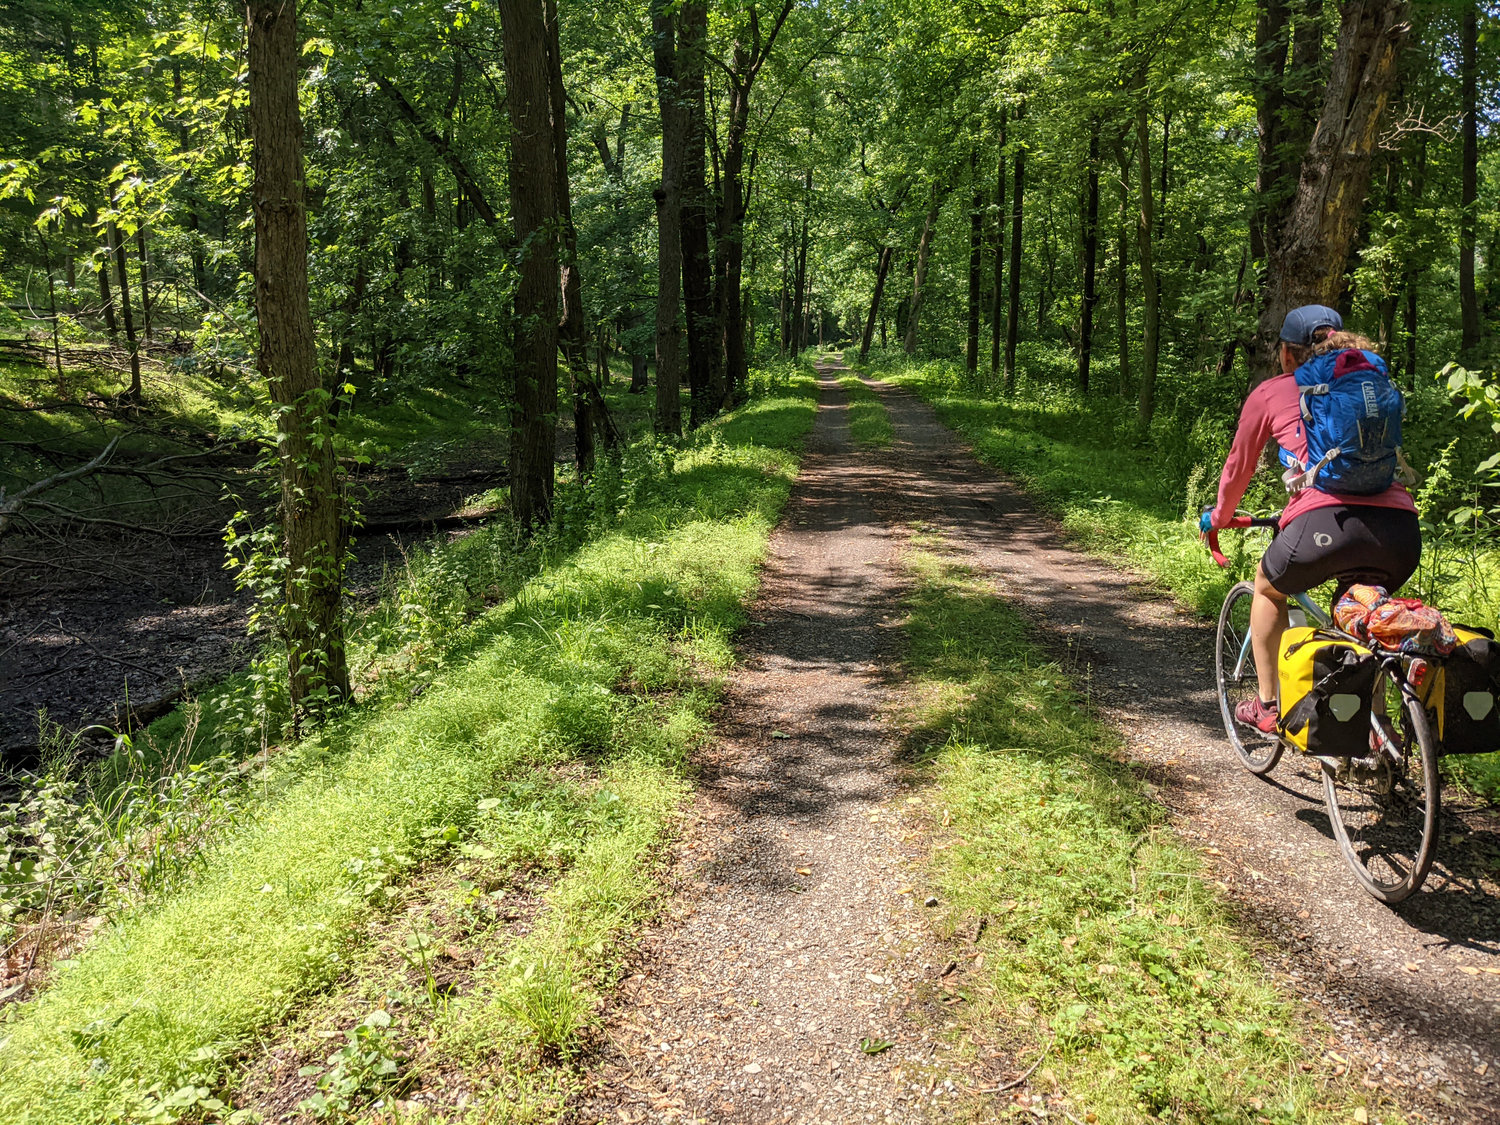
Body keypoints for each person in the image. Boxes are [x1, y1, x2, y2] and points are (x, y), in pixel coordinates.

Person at [1200, 304, 1421, 734]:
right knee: (1361, 611)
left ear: (1286, 354)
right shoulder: (1366, 388)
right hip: (1399, 531)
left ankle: (1267, 706)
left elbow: (1237, 468)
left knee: (1267, 589)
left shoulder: (1272, 392)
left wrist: (1219, 517)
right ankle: (1377, 728)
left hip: (1325, 526)